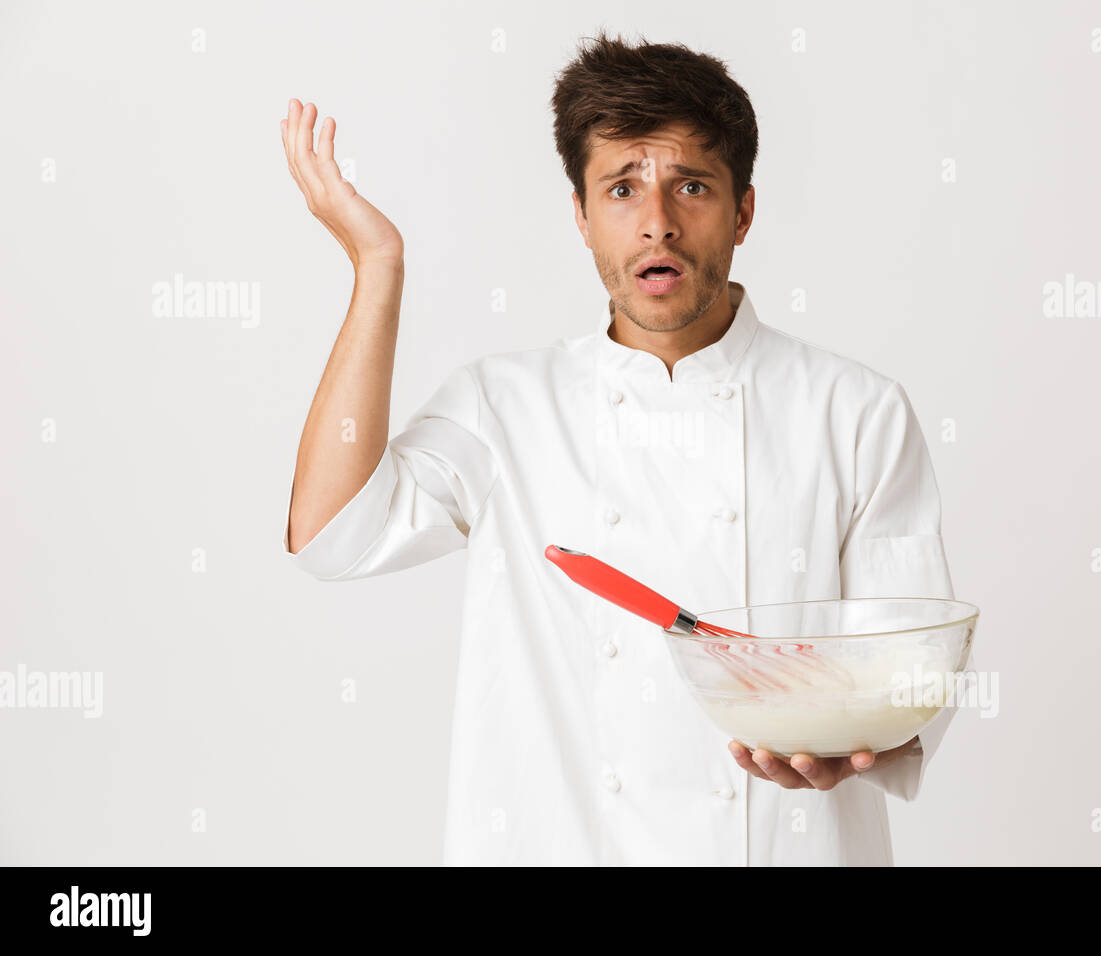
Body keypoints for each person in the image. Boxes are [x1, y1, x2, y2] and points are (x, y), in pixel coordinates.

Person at [280, 31, 959, 866]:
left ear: (743, 211)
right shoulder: (504, 406)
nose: (657, 224)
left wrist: (865, 742)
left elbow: (911, 666)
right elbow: (329, 535)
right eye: (622, 188)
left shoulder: (855, 411)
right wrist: (377, 266)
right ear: (582, 216)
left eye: (693, 187)